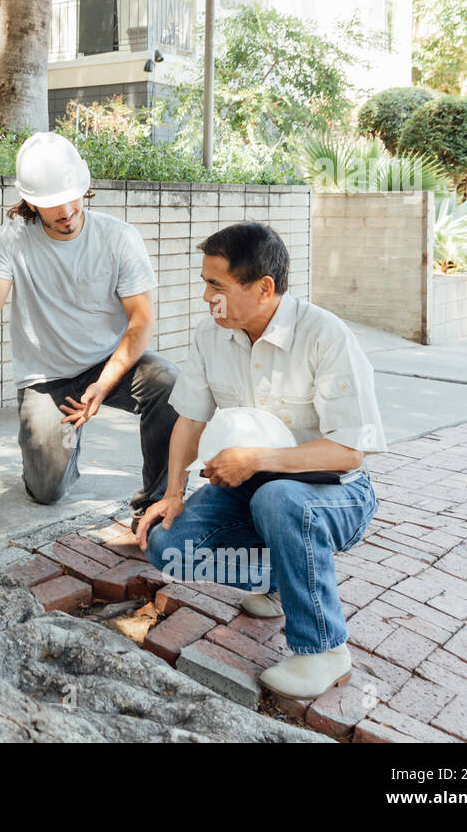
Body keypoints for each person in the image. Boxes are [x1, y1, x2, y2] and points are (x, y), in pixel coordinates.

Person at [133, 222, 386, 700]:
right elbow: (189, 420)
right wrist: (171, 495)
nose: (206, 296)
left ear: (264, 288)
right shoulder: (212, 334)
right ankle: (279, 580)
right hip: (256, 491)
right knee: (167, 543)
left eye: (217, 285)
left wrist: (255, 459)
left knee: (279, 499)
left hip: (335, 493)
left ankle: (325, 651)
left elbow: (352, 448)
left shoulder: (325, 336)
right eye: (204, 282)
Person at [0, 132, 180, 513]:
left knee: (172, 385)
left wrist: (104, 384)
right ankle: (61, 448)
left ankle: (157, 499)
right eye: (51, 204)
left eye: (71, 197)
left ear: (85, 186)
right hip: (48, 378)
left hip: (109, 364)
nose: (65, 210)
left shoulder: (119, 238)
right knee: (47, 491)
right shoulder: (12, 239)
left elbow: (141, 322)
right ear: (30, 202)